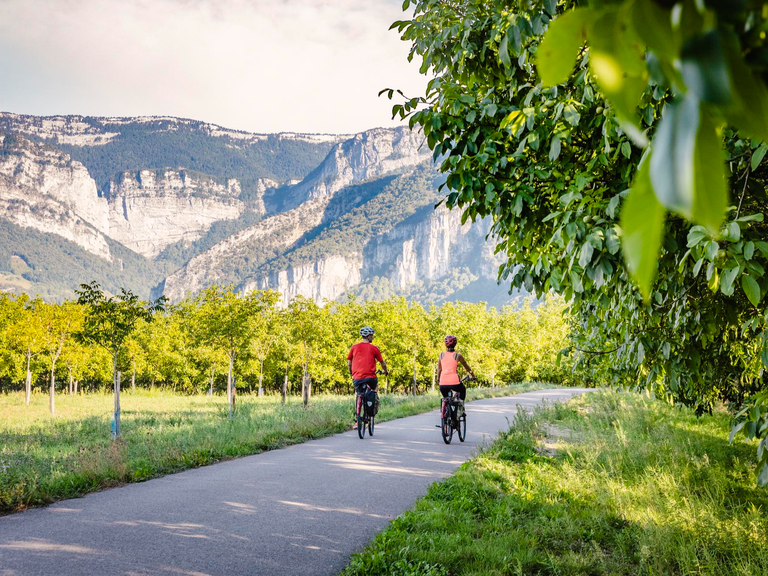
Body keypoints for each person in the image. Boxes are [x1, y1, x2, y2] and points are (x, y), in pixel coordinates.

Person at [347, 326, 388, 422]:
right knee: (375, 387)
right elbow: (382, 363)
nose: (372, 337)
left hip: (357, 378)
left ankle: (357, 416)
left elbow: (349, 363)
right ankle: (371, 407)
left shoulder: (354, 347)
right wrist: (385, 371)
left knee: (358, 393)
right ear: (368, 336)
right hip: (371, 378)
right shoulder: (374, 348)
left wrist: (351, 372)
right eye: (372, 335)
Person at [436, 335, 475, 403]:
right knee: (463, 389)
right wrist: (473, 375)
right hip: (455, 383)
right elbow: (467, 367)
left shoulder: (441, 355)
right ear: (455, 344)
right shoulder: (458, 355)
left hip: (442, 384)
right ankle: (461, 405)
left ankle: (445, 407)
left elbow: (439, 369)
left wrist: (438, 378)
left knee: (446, 398)